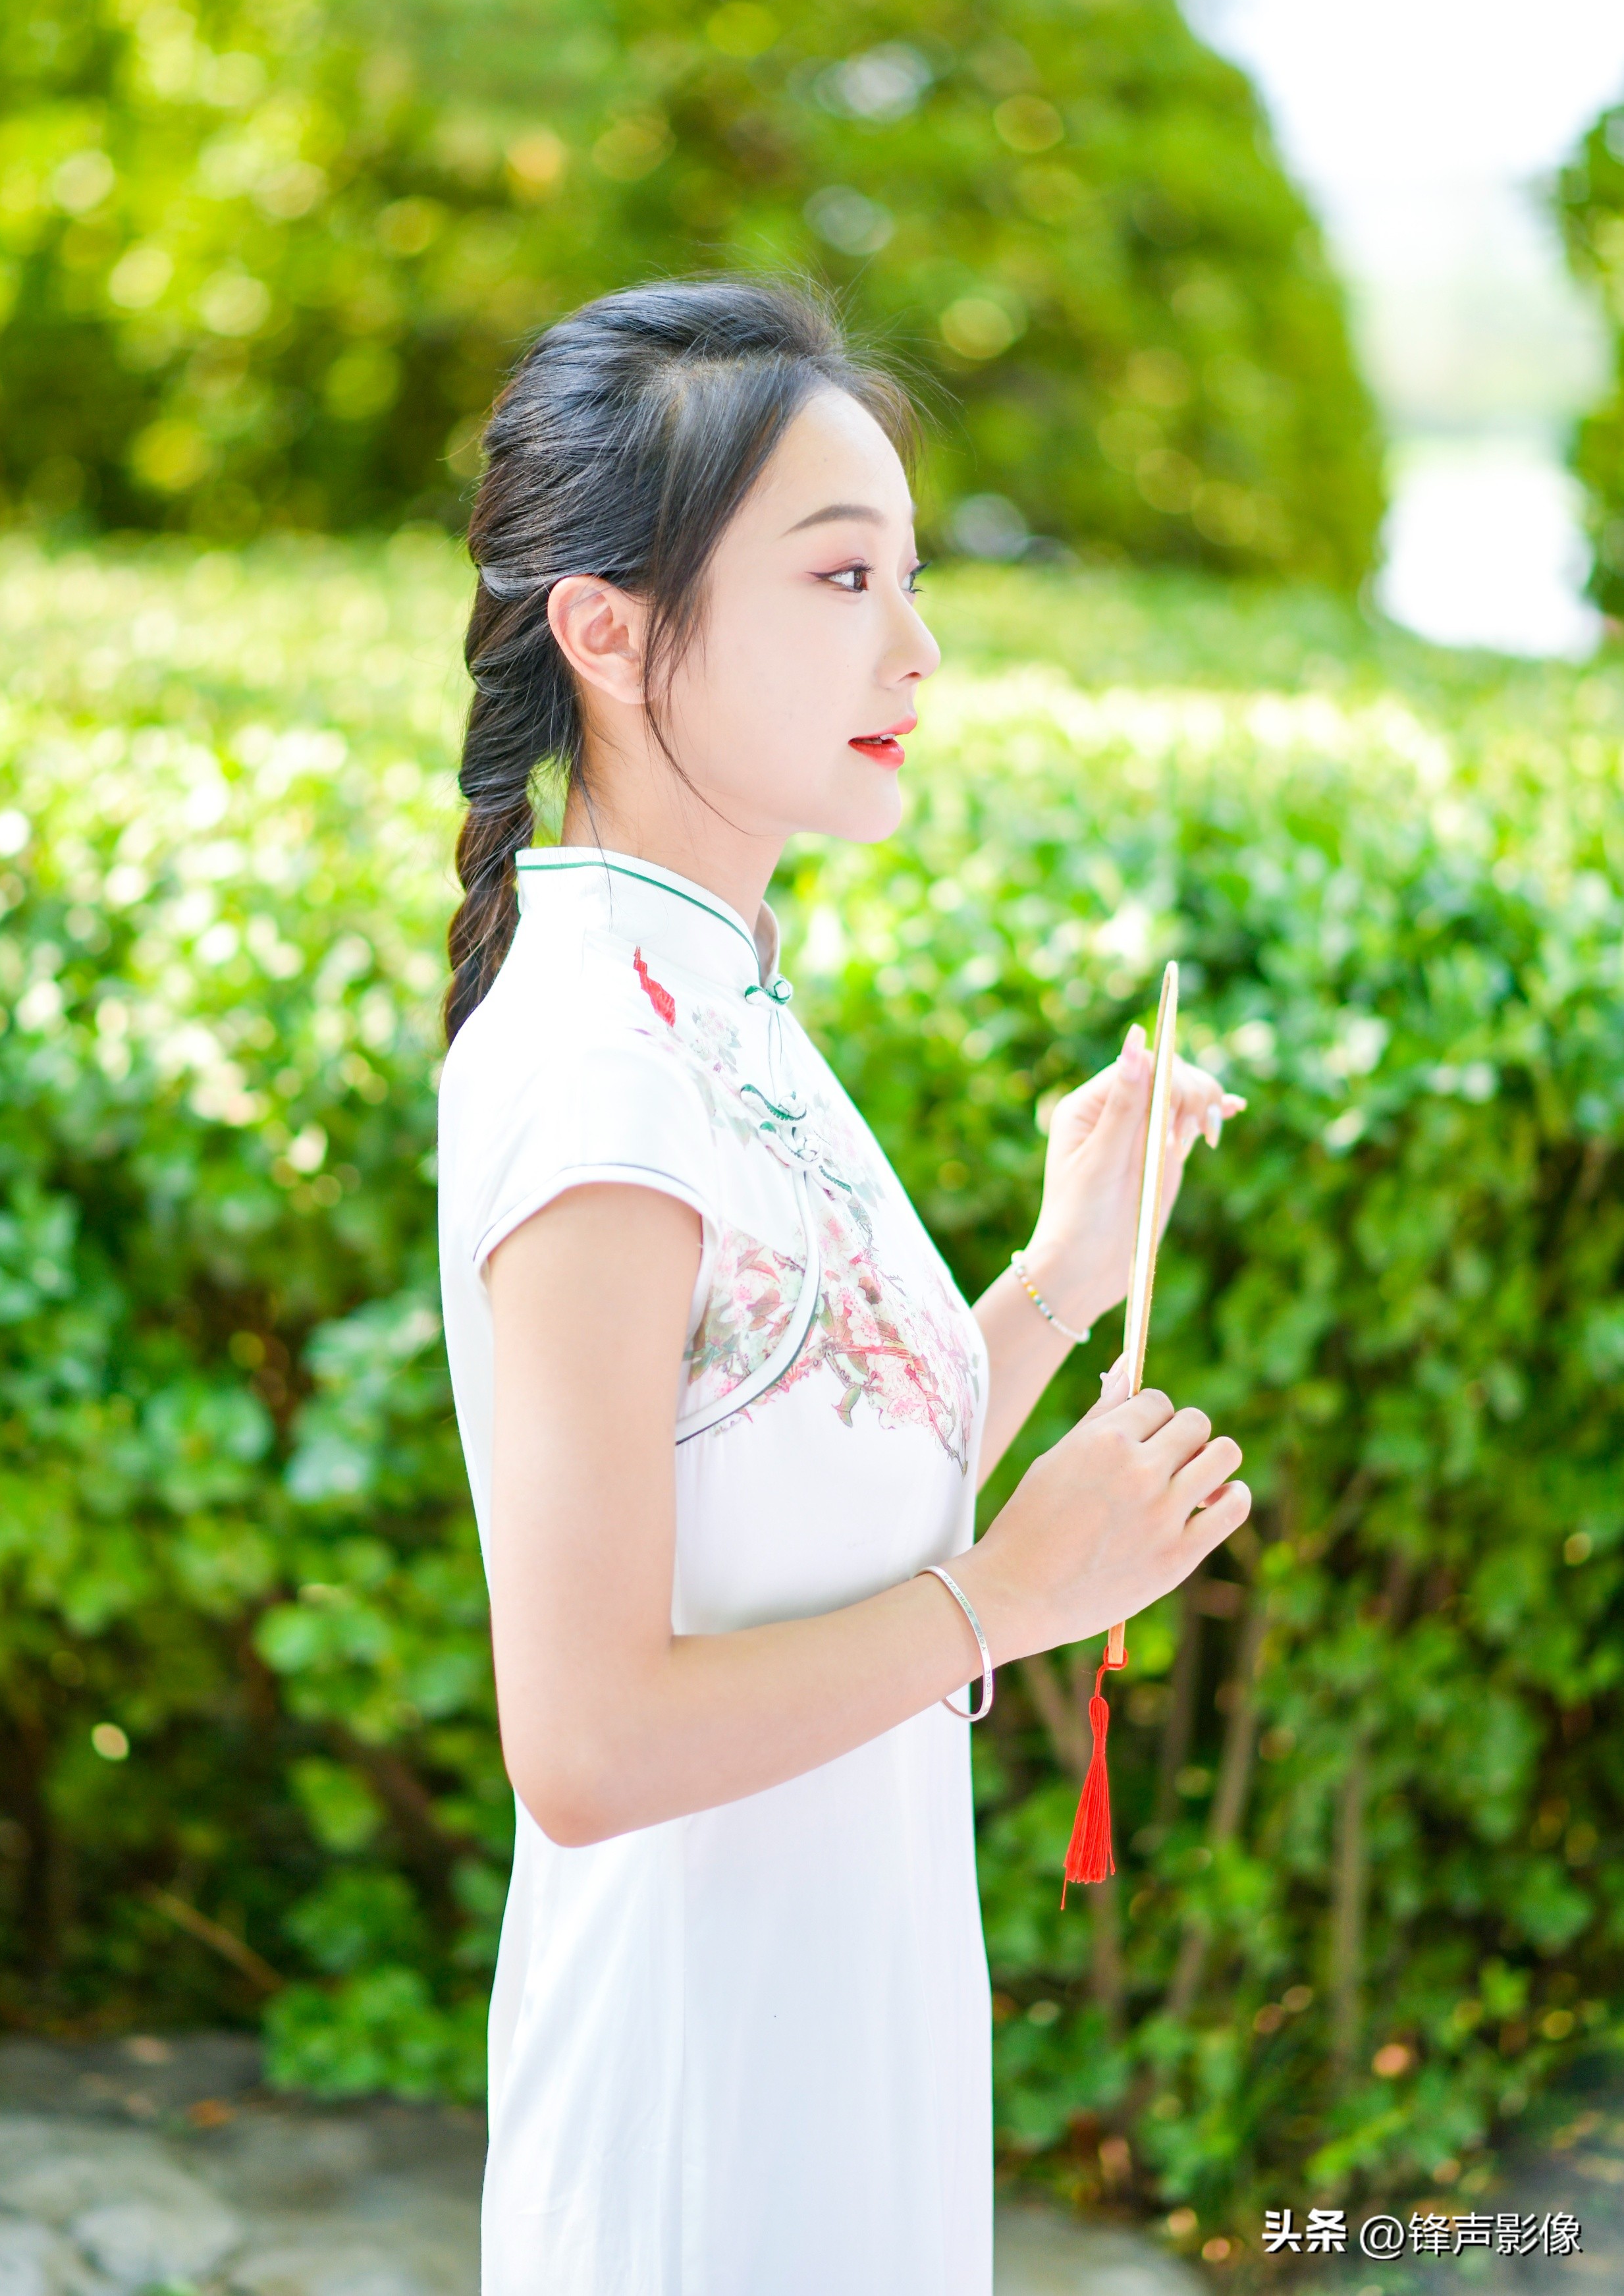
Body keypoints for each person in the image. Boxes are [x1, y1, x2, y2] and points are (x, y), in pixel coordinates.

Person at [435, 279, 1248, 2296]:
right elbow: (590, 1737)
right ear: (607, 632)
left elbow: (792, 1457)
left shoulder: (717, 997)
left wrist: (1061, 1278)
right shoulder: (608, 1065)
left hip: (837, 2018)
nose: (915, 642)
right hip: (703, 2094)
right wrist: (1016, 1595)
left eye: (905, 569)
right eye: (835, 574)